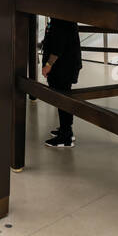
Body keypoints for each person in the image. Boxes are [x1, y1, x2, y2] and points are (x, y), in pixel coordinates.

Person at [41, 17, 82, 148]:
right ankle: (66, 129)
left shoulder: (62, 19)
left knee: (62, 98)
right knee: (63, 97)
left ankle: (66, 136)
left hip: (63, 66)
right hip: (65, 65)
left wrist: (48, 64)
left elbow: (59, 44)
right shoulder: (62, 17)